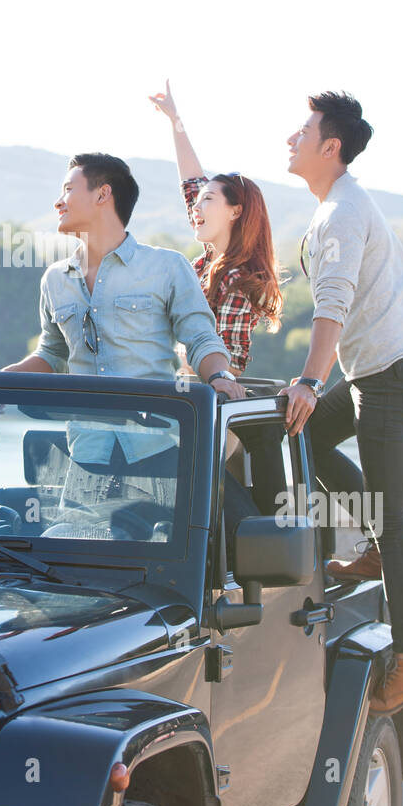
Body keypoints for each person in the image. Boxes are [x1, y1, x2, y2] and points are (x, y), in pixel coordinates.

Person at [283, 91, 403, 714]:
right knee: (306, 438)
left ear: (330, 147)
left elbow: (333, 306)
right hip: (378, 371)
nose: (291, 138)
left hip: (390, 376)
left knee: (396, 519)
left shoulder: (342, 212)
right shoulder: (336, 206)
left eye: (302, 131)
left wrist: (309, 382)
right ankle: (373, 544)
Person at [0, 150, 248, 522]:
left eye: (68, 189)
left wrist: (220, 377)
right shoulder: (55, 279)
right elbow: (52, 354)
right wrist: (5, 380)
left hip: (159, 454)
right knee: (71, 550)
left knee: (170, 550)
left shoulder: (166, 267)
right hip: (86, 458)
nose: (58, 201)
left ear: (103, 194)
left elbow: (200, 338)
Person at [148, 80, 286, 515]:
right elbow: (191, 181)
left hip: (209, 409)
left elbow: (220, 355)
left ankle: (268, 538)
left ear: (235, 211)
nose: (196, 206)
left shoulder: (241, 278)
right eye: (197, 201)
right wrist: (175, 121)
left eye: (208, 200)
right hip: (187, 402)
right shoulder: (204, 263)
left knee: (200, 505)